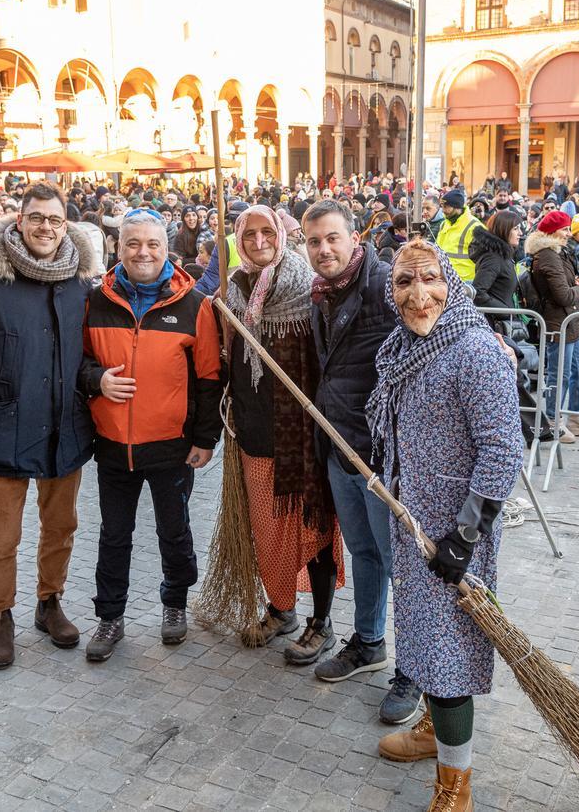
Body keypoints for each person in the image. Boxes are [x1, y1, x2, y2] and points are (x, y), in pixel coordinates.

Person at [368, 239, 523, 812]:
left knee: (450, 653)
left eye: (430, 279)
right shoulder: (400, 347)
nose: (418, 295)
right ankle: (434, 729)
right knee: (426, 640)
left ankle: (455, 786)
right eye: (405, 282)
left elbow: (504, 452)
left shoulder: (477, 351)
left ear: (450, 283)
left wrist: (464, 536)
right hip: (412, 525)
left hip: (456, 536)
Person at [0, 181, 100, 671]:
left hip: (63, 429)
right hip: (0, 431)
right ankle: (1, 615)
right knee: (1, 535)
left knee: (61, 527)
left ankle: (49, 602)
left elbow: (89, 357)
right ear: (19, 221)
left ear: (65, 225)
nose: (45, 228)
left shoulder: (79, 283)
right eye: (37, 218)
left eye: (55, 220)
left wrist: (98, 382)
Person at [77, 210, 219, 661]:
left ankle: (175, 604)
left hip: (171, 444)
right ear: (118, 248)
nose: (143, 252)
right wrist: (96, 379)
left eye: (152, 244)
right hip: (113, 443)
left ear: (167, 248)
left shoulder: (194, 304)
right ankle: (110, 616)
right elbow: (74, 363)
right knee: (114, 534)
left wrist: (204, 438)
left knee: (174, 531)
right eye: (133, 243)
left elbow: (210, 377)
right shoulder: (94, 300)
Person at [300, 200, 422, 723]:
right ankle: (370, 642)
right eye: (313, 241)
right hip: (340, 447)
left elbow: (442, 314)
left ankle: (418, 669)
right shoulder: (319, 295)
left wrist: (494, 346)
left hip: (383, 457)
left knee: (404, 567)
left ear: (354, 237)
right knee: (365, 554)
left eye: (332, 238)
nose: (324, 249)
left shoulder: (383, 285)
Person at [225, 205, 344, 661]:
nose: (258, 242)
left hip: (303, 434)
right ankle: (281, 608)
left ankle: (322, 622)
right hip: (254, 433)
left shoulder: (308, 289)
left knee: (311, 526)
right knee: (267, 528)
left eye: (266, 232)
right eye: (249, 234)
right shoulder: (234, 288)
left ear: (280, 234)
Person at [528, 210, 579, 442]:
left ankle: (576, 416)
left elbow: (566, 288)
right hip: (558, 322)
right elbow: (564, 296)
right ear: (553, 232)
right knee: (561, 375)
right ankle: (552, 420)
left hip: (571, 320)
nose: (569, 234)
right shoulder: (547, 255)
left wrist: (575, 284)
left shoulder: (559, 252)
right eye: (565, 229)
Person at [435, 190, 482, 282]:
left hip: (466, 281)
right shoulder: (444, 224)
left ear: (457, 207)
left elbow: (483, 260)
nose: (443, 210)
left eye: (446, 207)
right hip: (444, 278)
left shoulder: (474, 226)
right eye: (442, 207)